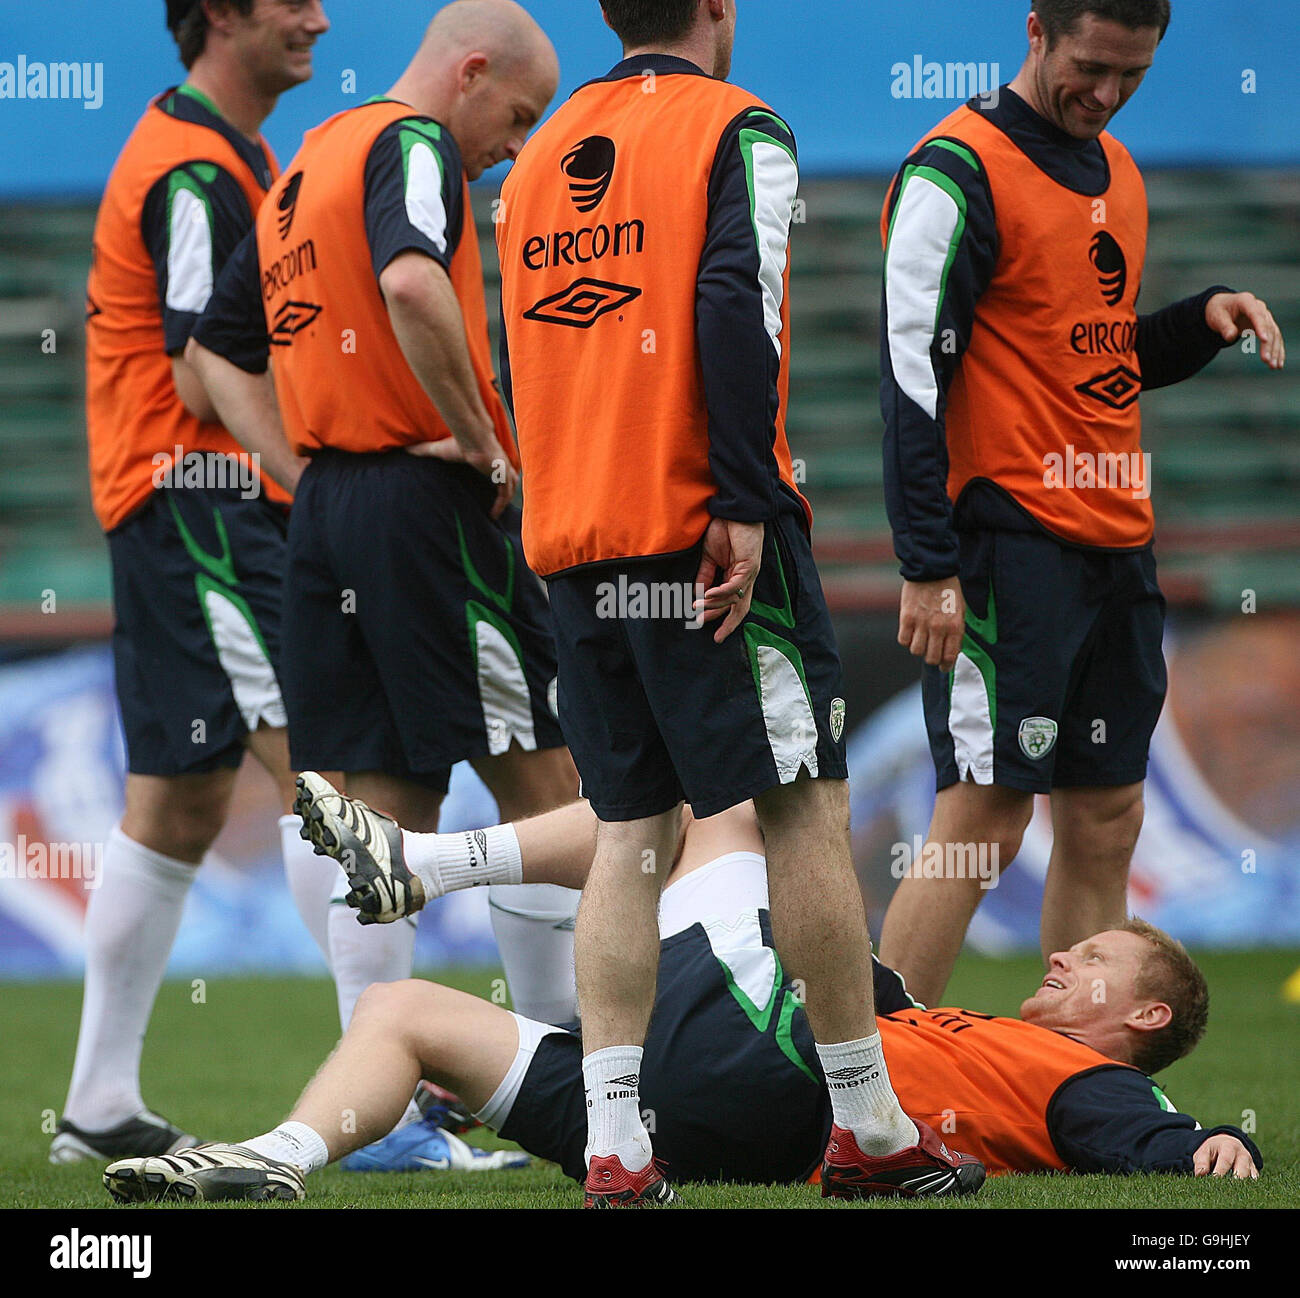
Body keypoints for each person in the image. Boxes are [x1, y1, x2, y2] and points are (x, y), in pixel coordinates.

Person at [490, 0, 984, 1205]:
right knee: (804, 808)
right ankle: (867, 1127)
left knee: (629, 829)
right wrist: (746, 498)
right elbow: (734, 306)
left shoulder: (543, 147)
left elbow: (521, 344)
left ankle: (615, 1144)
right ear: (715, 11)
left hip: (573, 539)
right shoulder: (737, 127)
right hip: (699, 533)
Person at [100, 778, 1261, 1204]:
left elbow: (1144, 1133)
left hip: (769, 1084)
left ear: (1143, 1016)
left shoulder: (1074, 1071)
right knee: (404, 1014)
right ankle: (277, 1155)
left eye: (1094, 961)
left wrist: (1210, 1144)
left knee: (714, 810)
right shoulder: (947, 1018)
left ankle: (425, 863)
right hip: (689, 1121)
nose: (1063, 958)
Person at [876, 0, 1287, 1007]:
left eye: (1130, 77)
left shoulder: (1118, 172)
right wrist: (927, 564)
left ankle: (1077, 1077)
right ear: (1035, 30)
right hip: (1002, 547)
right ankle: (880, 1089)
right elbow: (909, 376)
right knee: (981, 820)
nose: (1104, 95)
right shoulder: (957, 169)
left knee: (1105, 816)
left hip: (1115, 544)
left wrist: (1194, 327)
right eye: (1091, 68)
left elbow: (1091, 360)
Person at [184, 0, 583, 1032]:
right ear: (472, 72)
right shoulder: (411, 143)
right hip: (423, 508)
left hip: (331, 512)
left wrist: (304, 469)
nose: (515, 147)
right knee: (544, 782)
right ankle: (568, 1073)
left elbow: (213, 356)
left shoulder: (302, 172)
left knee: (379, 805)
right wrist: (483, 441)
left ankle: (384, 1109)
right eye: (521, 115)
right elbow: (411, 279)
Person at [57, 0, 331, 1166]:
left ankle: (97, 1107)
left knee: (177, 802)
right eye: (291, 1)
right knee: (320, 766)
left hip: (171, 505)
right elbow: (194, 355)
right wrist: (307, 479)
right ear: (219, 15)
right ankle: (374, 1106)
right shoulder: (194, 168)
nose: (318, 18)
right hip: (201, 502)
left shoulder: (227, 153)